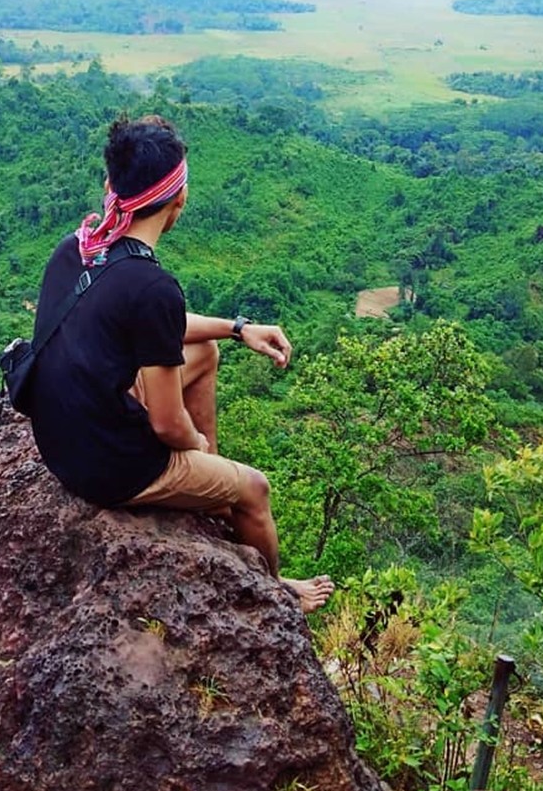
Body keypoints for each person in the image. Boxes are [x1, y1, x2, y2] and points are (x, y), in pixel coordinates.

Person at [27, 113, 334, 614]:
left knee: (205, 351)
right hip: (107, 469)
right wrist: (192, 445)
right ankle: (275, 594)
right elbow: (168, 424)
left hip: (62, 443)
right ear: (179, 200)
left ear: (112, 185)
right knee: (255, 489)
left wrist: (238, 329)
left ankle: (205, 487)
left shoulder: (79, 247)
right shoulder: (151, 286)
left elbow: (153, 323)